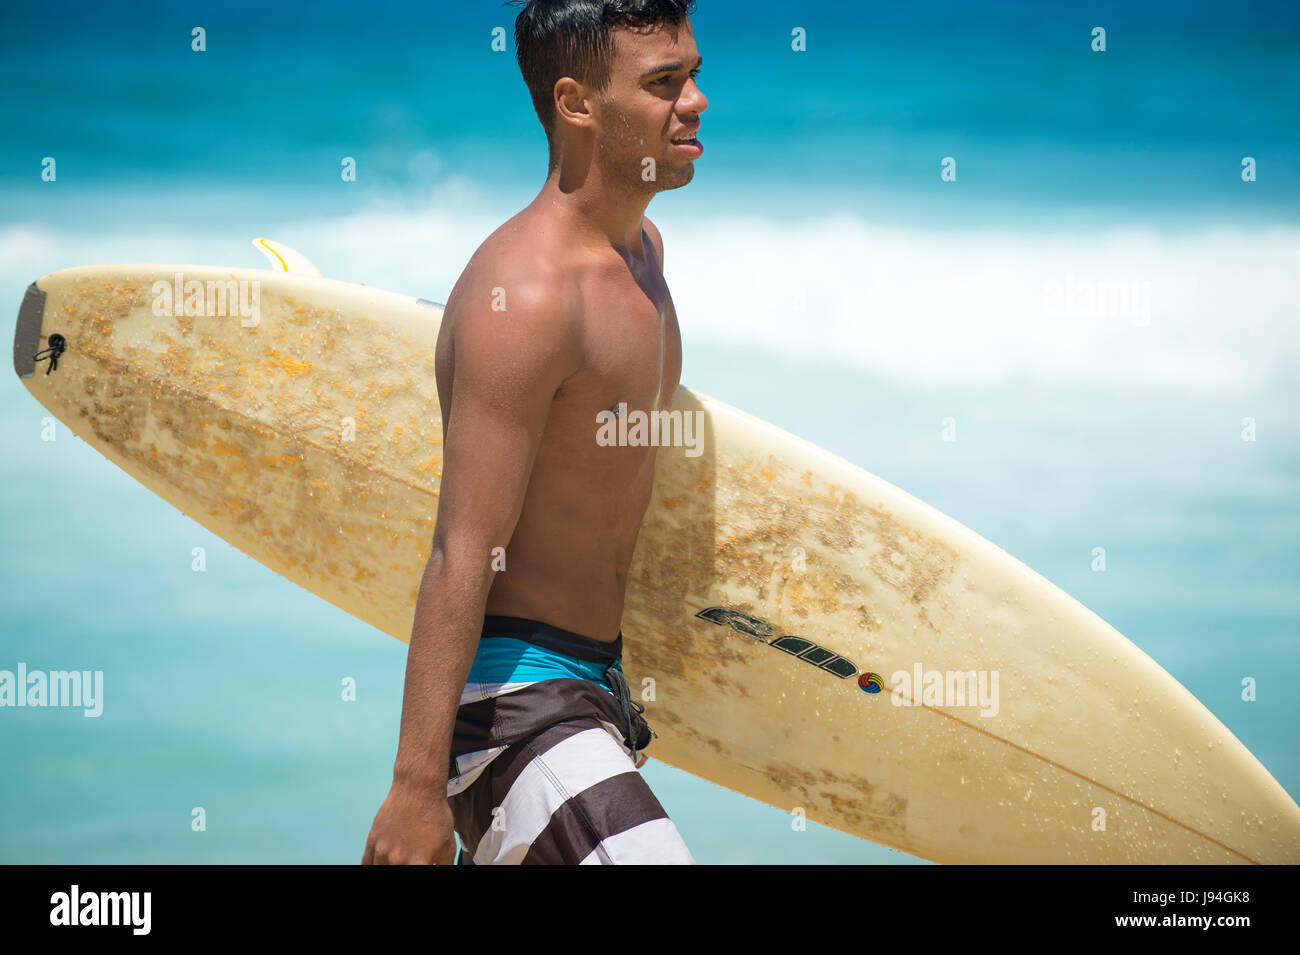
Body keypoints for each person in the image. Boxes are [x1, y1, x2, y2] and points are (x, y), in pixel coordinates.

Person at [362, 0, 706, 865]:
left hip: (597, 693)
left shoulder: (645, 255)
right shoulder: (527, 296)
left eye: (693, 73)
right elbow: (461, 548)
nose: (696, 101)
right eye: (664, 83)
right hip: (513, 708)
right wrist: (413, 788)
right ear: (577, 103)